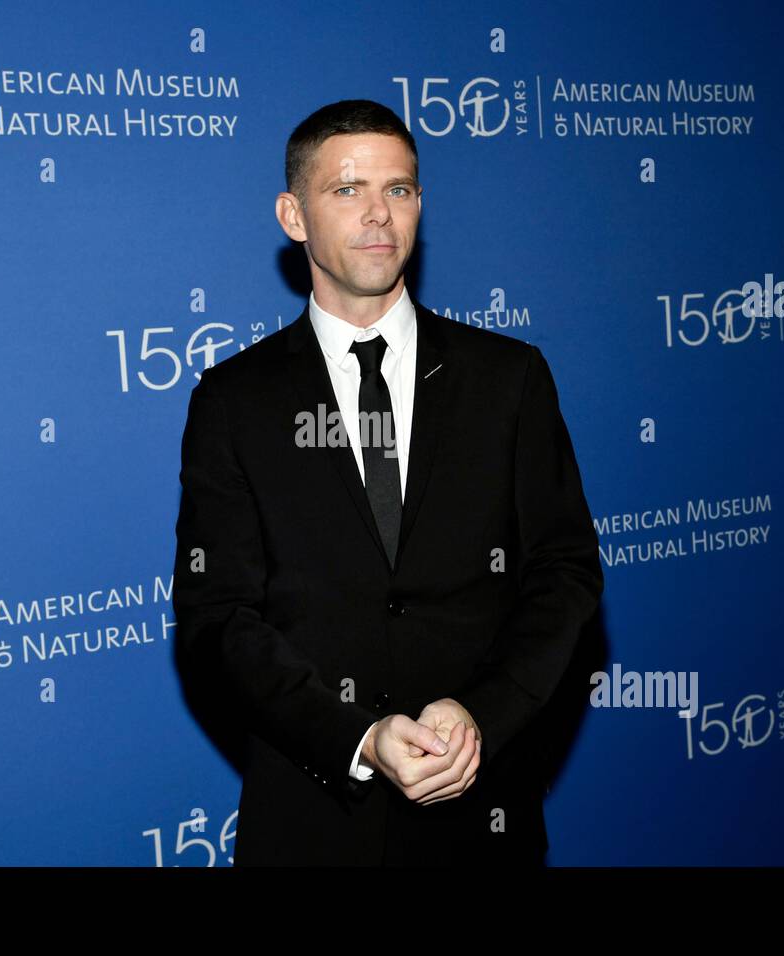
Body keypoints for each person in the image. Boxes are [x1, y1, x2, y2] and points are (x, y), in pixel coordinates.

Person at [172, 99, 604, 866]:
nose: (379, 215)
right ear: (293, 214)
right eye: (347, 190)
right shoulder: (234, 402)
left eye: (398, 190)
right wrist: (359, 738)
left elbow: (563, 575)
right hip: (313, 822)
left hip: (482, 818)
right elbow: (219, 621)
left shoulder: (509, 380)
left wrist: (482, 713)